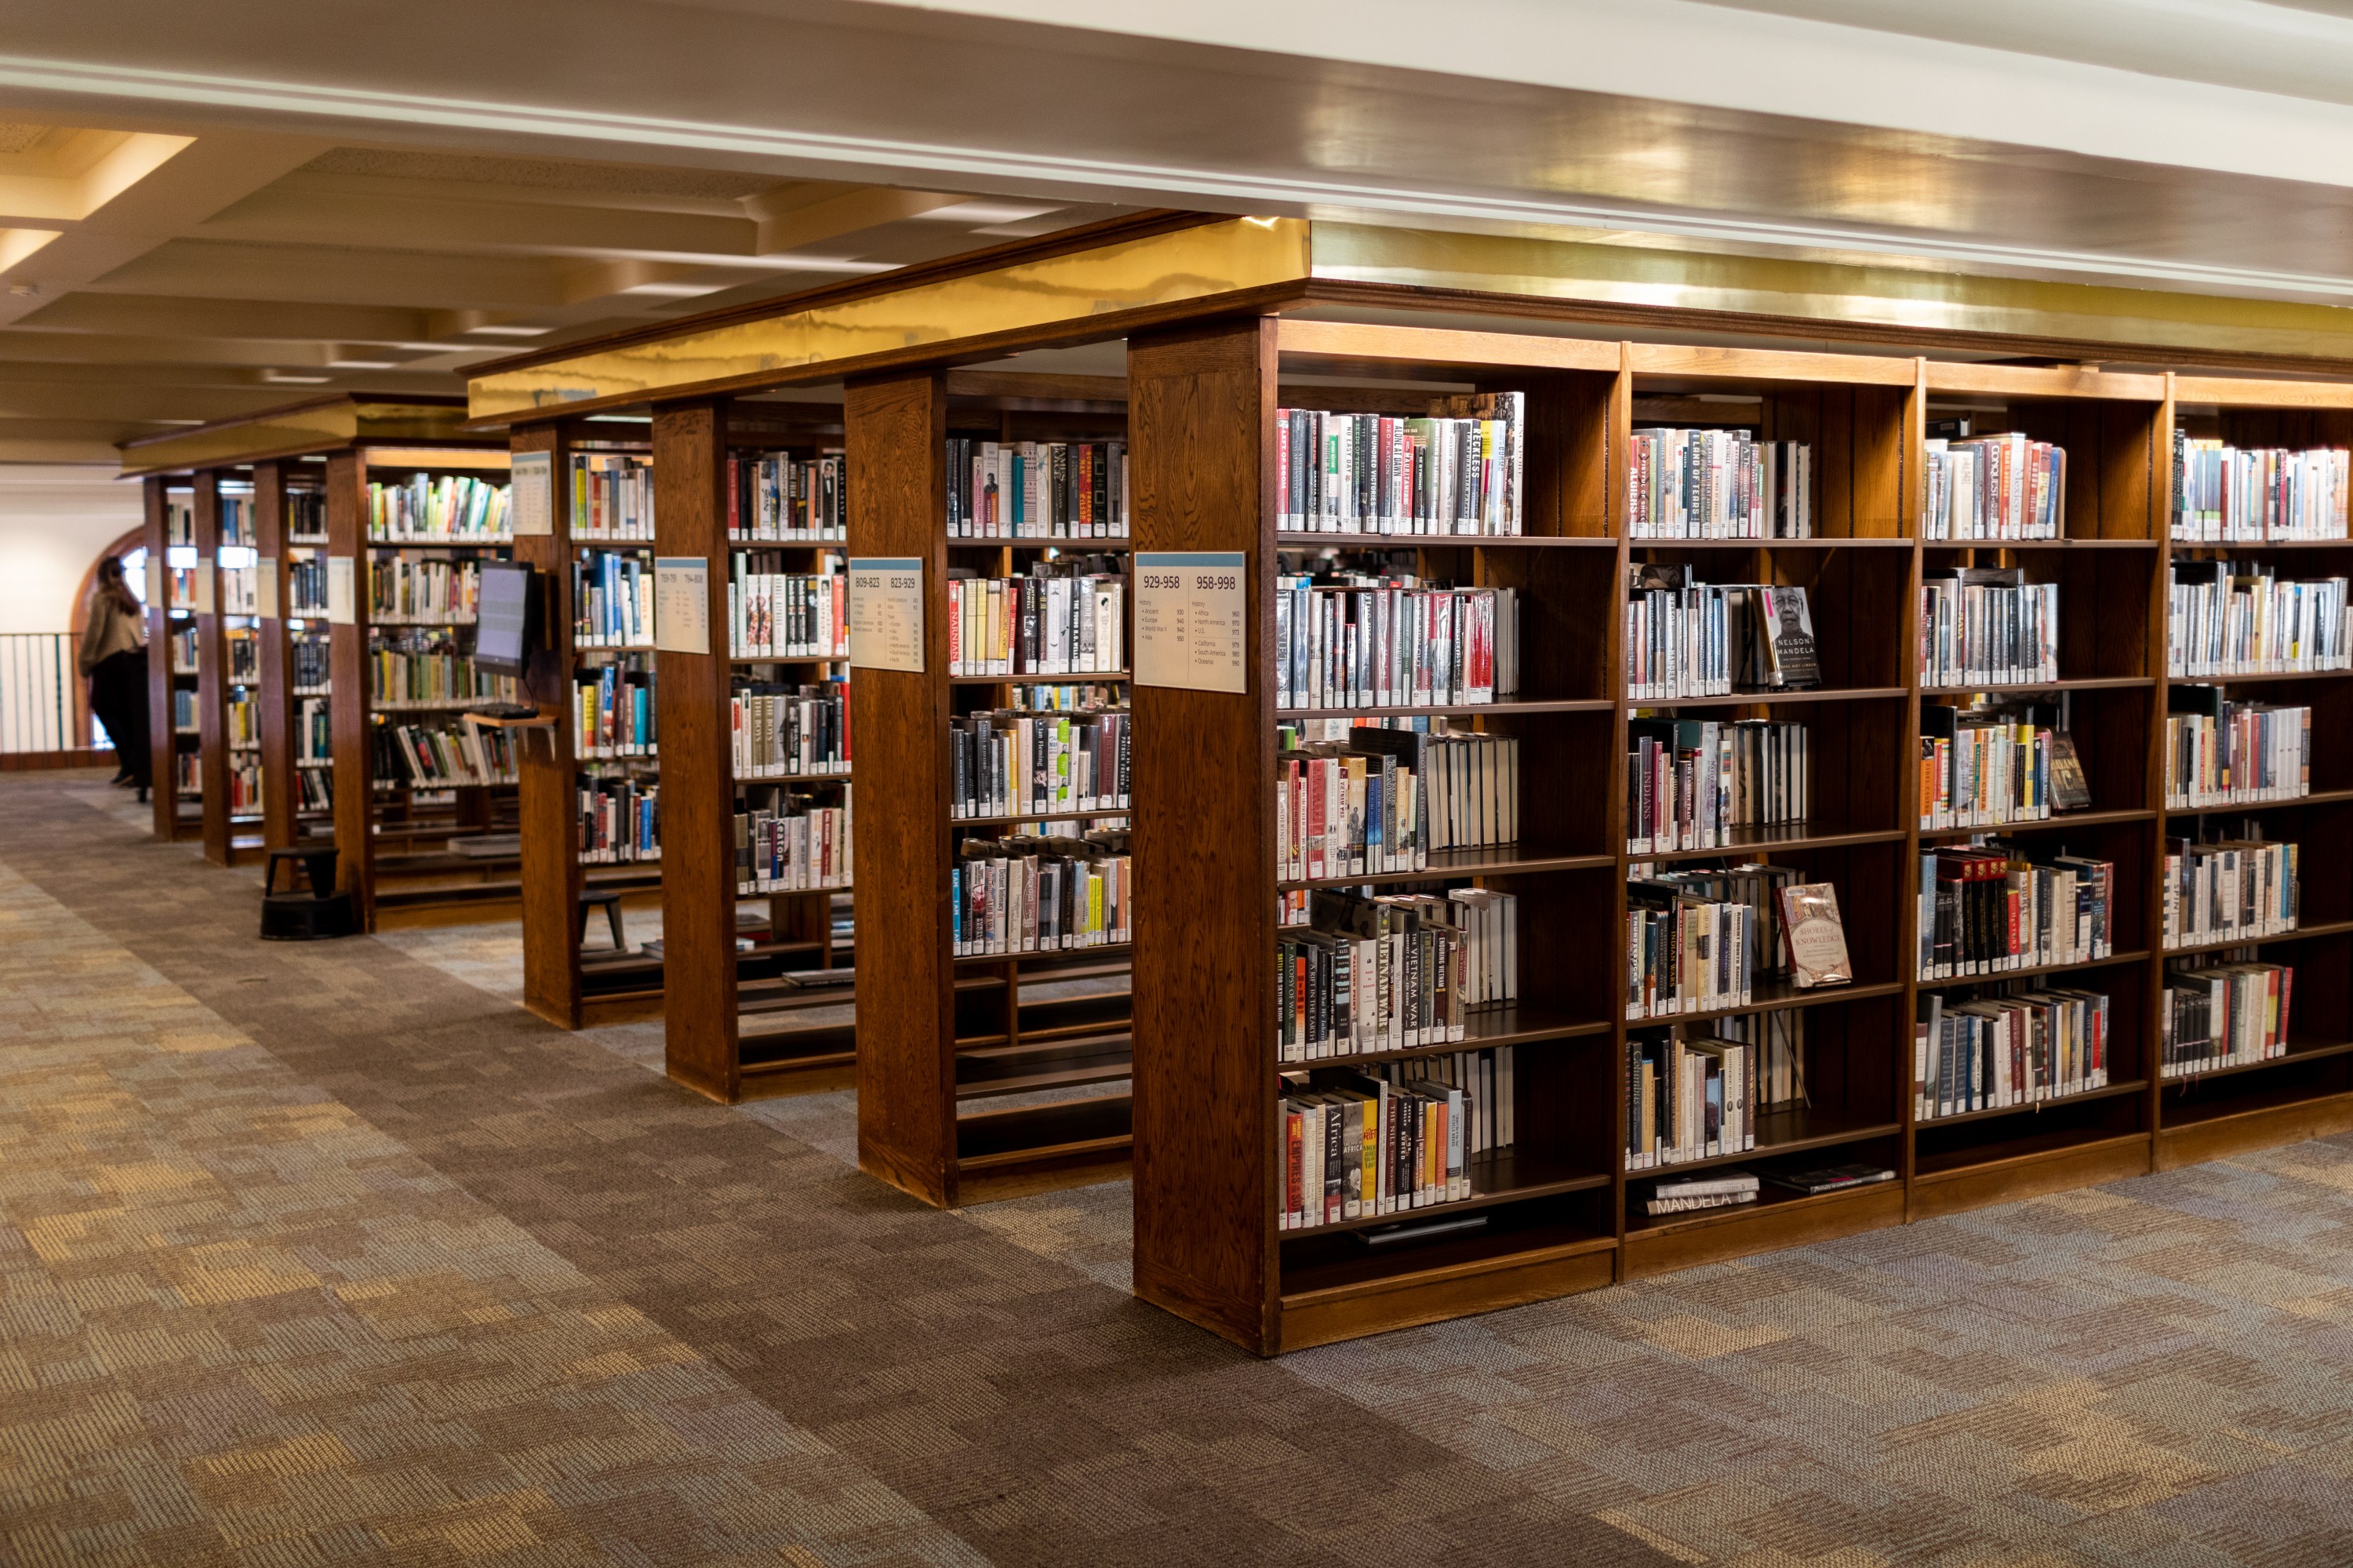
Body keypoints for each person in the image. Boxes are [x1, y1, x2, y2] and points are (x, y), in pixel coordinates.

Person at [79, 555, 151, 799]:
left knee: (104, 709)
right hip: (131, 662)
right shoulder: (131, 599)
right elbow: (140, 631)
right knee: (128, 716)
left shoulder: (102, 598)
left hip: (109, 663)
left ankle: (130, 764)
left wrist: (85, 662)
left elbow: (94, 633)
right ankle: (135, 767)